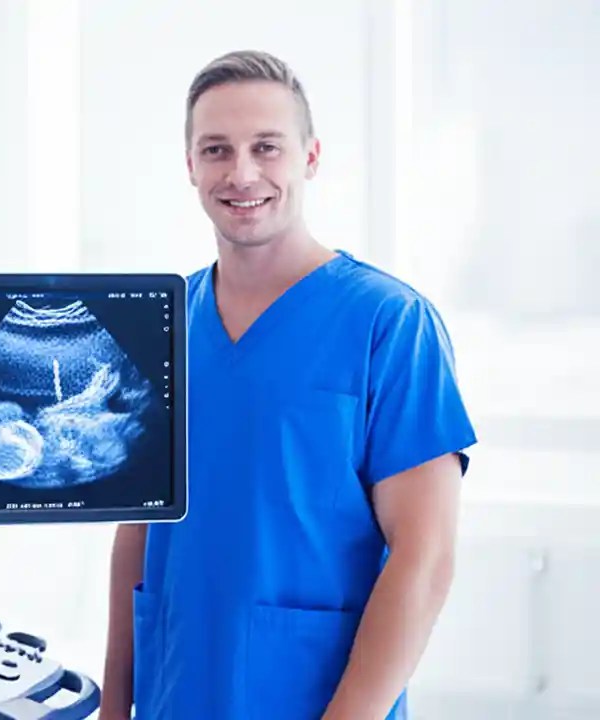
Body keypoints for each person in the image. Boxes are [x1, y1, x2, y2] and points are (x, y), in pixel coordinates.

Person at [99, 50, 478, 720]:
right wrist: (114, 705)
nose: (241, 173)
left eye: (266, 147)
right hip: (177, 691)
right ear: (190, 165)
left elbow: (426, 559)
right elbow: (136, 533)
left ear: (310, 156)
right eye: (216, 149)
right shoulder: (160, 322)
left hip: (314, 700)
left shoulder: (388, 324)